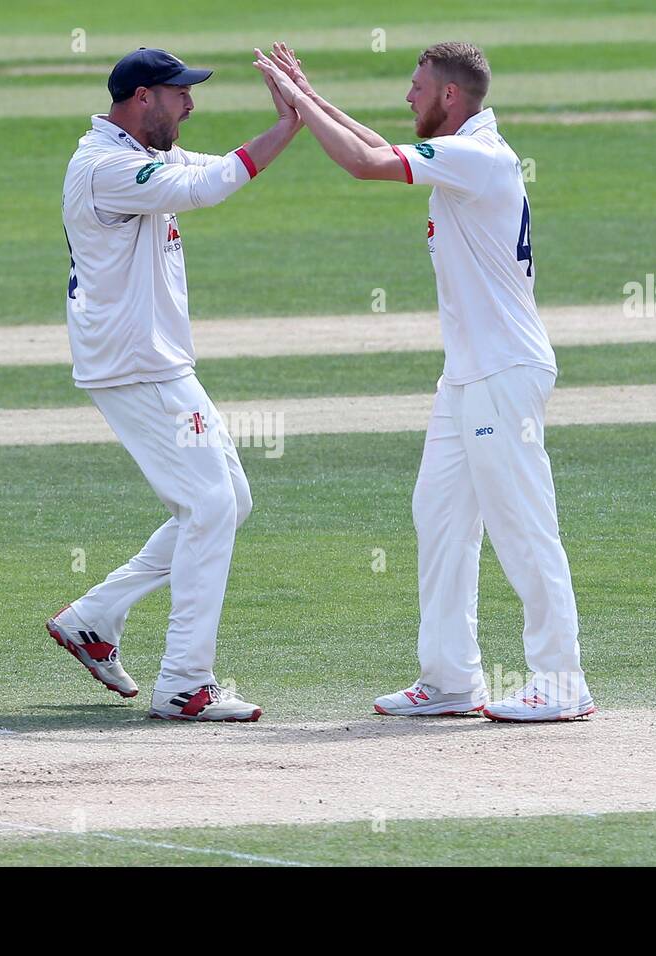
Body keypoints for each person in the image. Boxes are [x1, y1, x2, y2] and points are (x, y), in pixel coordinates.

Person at [254, 43, 595, 722]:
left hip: (504, 371)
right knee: (438, 516)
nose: (407, 97)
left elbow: (364, 162)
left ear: (450, 97)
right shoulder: (462, 154)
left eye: (417, 87)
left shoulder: (480, 157)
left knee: (522, 525)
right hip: (466, 376)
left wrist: (297, 105)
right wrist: (309, 95)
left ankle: (561, 680)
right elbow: (380, 143)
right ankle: (449, 680)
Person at [51, 48, 300, 721]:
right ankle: (186, 683)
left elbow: (210, 171)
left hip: (154, 365)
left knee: (229, 501)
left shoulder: (136, 157)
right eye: (178, 93)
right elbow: (208, 186)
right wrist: (288, 125)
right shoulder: (108, 168)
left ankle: (93, 618)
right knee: (211, 506)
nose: (190, 104)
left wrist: (285, 123)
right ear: (140, 98)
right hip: (138, 368)